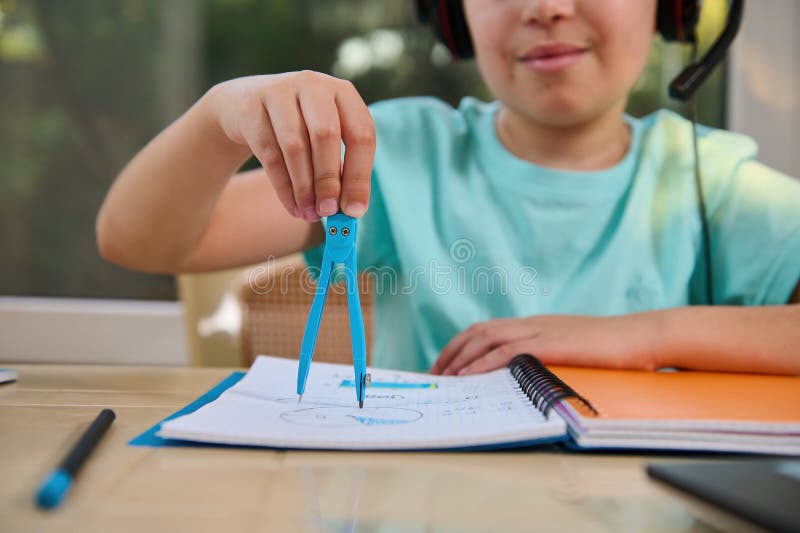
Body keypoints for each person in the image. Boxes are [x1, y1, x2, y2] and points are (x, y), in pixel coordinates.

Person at [96, 0, 800, 376]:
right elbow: (136, 238)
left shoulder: (713, 184)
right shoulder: (397, 154)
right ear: (452, 13)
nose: (546, 5)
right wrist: (221, 117)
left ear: (672, 7)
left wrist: (639, 336)